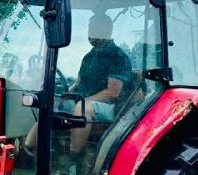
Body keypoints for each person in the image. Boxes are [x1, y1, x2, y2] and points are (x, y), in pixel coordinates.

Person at [24, 11, 131, 155]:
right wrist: (64, 95)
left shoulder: (117, 56)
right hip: (84, 100)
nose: (89, 33)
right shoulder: (89, 56)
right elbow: (78, 83)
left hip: (110, 106)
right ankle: (28, 149)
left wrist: (83, 100)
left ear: (106, 30)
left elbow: (113, 92)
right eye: (89, 29)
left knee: (82, 108)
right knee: (49, 102)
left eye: (93, 29)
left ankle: (74, 157)